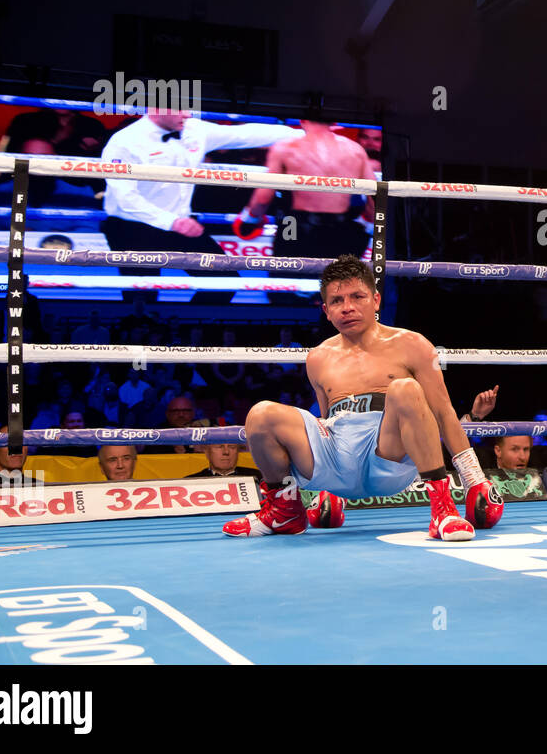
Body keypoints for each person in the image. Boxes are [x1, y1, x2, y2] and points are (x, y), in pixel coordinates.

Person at [222, 256, 502, 539]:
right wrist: (327, 493)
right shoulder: (318, 358)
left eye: (358, 296)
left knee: (405, 389)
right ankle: (284, 513)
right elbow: (327, 422)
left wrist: (474, 480)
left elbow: (443, 413)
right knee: (261, 414)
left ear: (376, 300)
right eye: (337, 301)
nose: (348, 307)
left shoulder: (412, 344)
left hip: (389, 455)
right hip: (337, 460)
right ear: (326, 311)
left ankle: (443, 510)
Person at [100, 107, 301, 290]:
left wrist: (306, 135)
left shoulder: (194, 129)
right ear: (156, 108)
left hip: (181, 225)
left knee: (225, 285)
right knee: (141, 297)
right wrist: (173, 222)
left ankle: (180, 328)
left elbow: (245, 134)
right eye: (179, 109)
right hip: (133, 228)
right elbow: (125, 197)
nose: (187, 114)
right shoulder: (123, 142)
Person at [235, 104, 375, 261]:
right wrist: (368, 221)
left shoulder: (286, 148)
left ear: (302, 120)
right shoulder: (355, 150)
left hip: (294, 227)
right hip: (341, 228)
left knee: (290, 278)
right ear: (334, 122)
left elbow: (263, 197)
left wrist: (251, 219)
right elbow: (374, 197)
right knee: (337, 283)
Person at [189, 443, 261, 481]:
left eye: (232, 447)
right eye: (219, 447)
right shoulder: (191, 482)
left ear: (238, 451)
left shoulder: (257, 478)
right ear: (207, 452)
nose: (226, 452)